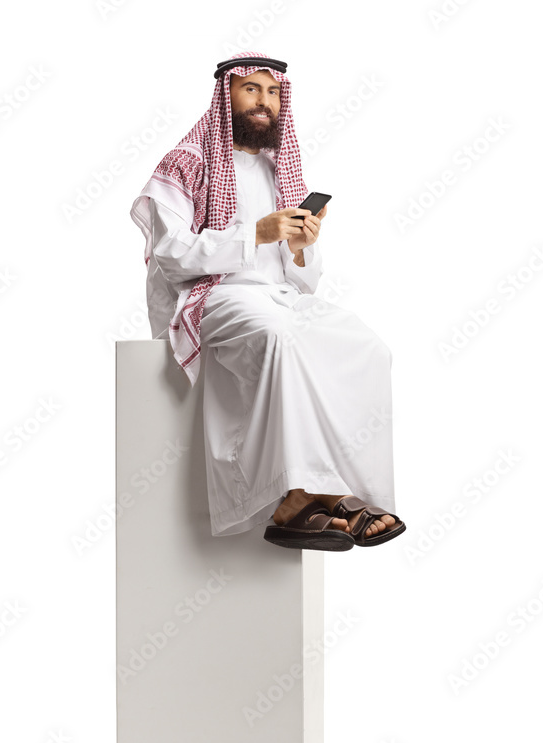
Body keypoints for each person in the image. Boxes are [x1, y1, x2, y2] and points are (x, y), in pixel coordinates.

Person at [130, 51, 405, 551]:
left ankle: (344, 489)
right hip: (213, 296)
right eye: (251, 89)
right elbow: (171, 255)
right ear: (226, 95)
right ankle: (294, 499)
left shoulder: (282, 169)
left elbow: (302, 282)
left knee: (364, 345)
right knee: (281, 339)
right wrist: (253, 232)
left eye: (273, 92)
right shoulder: (189, 162)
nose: (264, 102)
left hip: (276, 296)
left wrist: (300, 252)